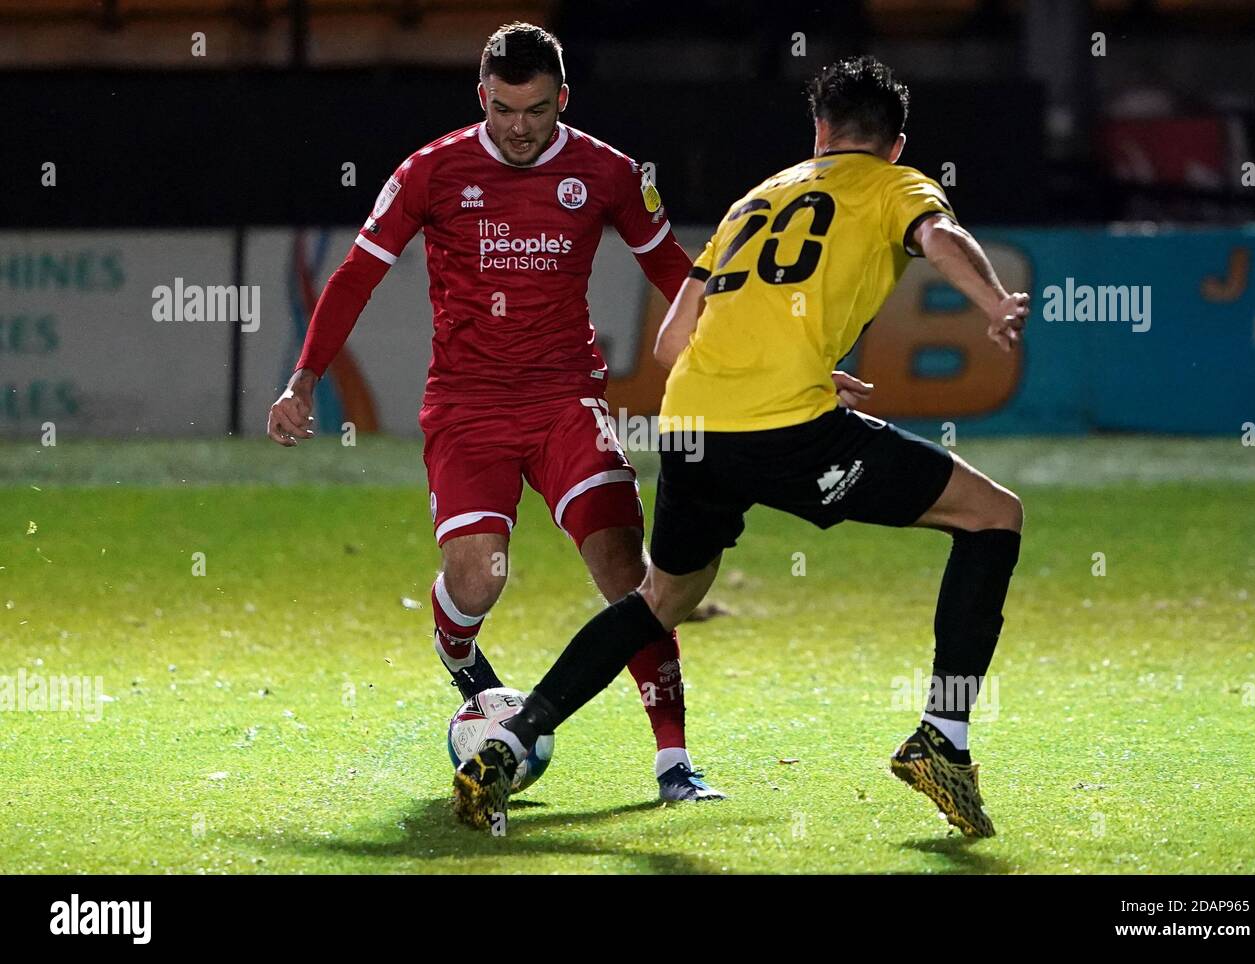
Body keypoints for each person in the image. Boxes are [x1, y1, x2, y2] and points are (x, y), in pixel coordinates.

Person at [451, 54, 1029, 837]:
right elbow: (940, 236)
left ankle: (513, 739)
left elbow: (671, 341)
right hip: (786, 428)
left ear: (819, 132)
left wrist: (801, 365)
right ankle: (945, 737)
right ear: (895, 145)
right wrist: (993, 301)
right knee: (993, 515)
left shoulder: (756, 199)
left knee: (661, 598)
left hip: (691, 422)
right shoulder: (900, 186)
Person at [267, 22, 723, 802]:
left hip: (566, 402)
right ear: (483, 97)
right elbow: (353, 275)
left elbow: (677, 275)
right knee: (477, 582)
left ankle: (674, 762)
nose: (519, 127)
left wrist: (754, 358)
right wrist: (304, 377)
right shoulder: (432, 171)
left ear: (562, 100)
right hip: (468, 406)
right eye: (506, 110)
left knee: (627, 573)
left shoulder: (607, 174)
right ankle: (455, 642)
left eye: (537, 111)